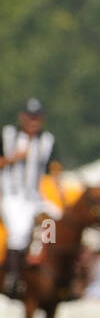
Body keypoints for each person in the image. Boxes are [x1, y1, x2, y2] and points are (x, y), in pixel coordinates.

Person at [1, 98, 64, 298]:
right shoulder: (8, 135)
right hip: (12, 195)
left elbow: (54, 166)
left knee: (54, 219)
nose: (33, 122)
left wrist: (57, 174)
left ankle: (43, 265)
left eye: (37, 117)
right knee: (19, 232)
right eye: (30, 117)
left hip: (34, 197)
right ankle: (13, 277)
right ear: (22, 117)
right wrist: (12, 159)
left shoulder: (47, 140)